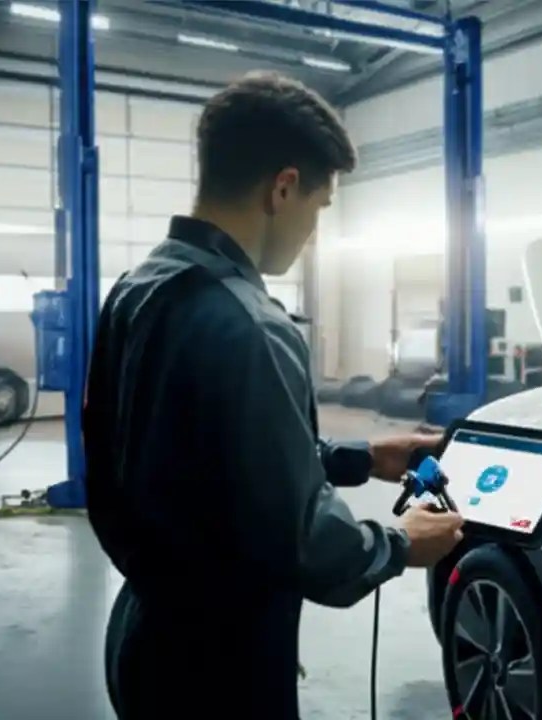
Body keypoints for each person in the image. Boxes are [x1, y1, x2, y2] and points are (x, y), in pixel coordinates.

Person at [81, 70, 466, 720]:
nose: (314, 230)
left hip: (147, 635)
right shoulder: (252, 324)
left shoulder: (138, 288)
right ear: (283, 188)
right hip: (220, 667)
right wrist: (402, 542)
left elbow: (210, 460)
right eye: (319, 208)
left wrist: (359, 457)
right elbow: (308, 547)